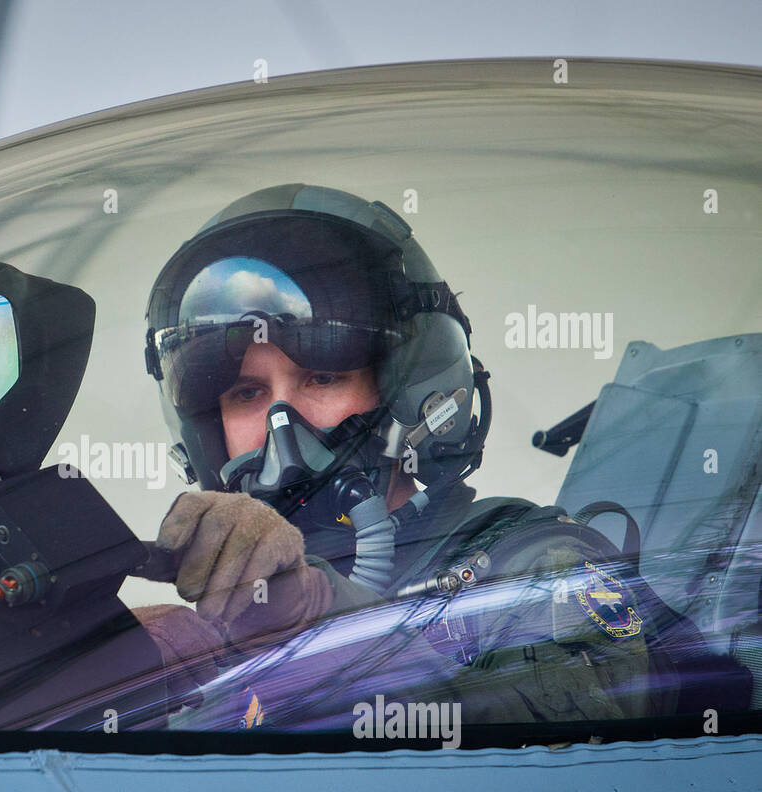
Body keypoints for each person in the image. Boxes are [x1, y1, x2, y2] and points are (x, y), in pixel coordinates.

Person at [132, 183, 678, 729]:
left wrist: (319, 619)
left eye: (323, 377)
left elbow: (576, 753)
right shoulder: (237, 617)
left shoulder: (530, 564)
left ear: (408, 392)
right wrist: (169, 696)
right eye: (246, 394)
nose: (282, 421)